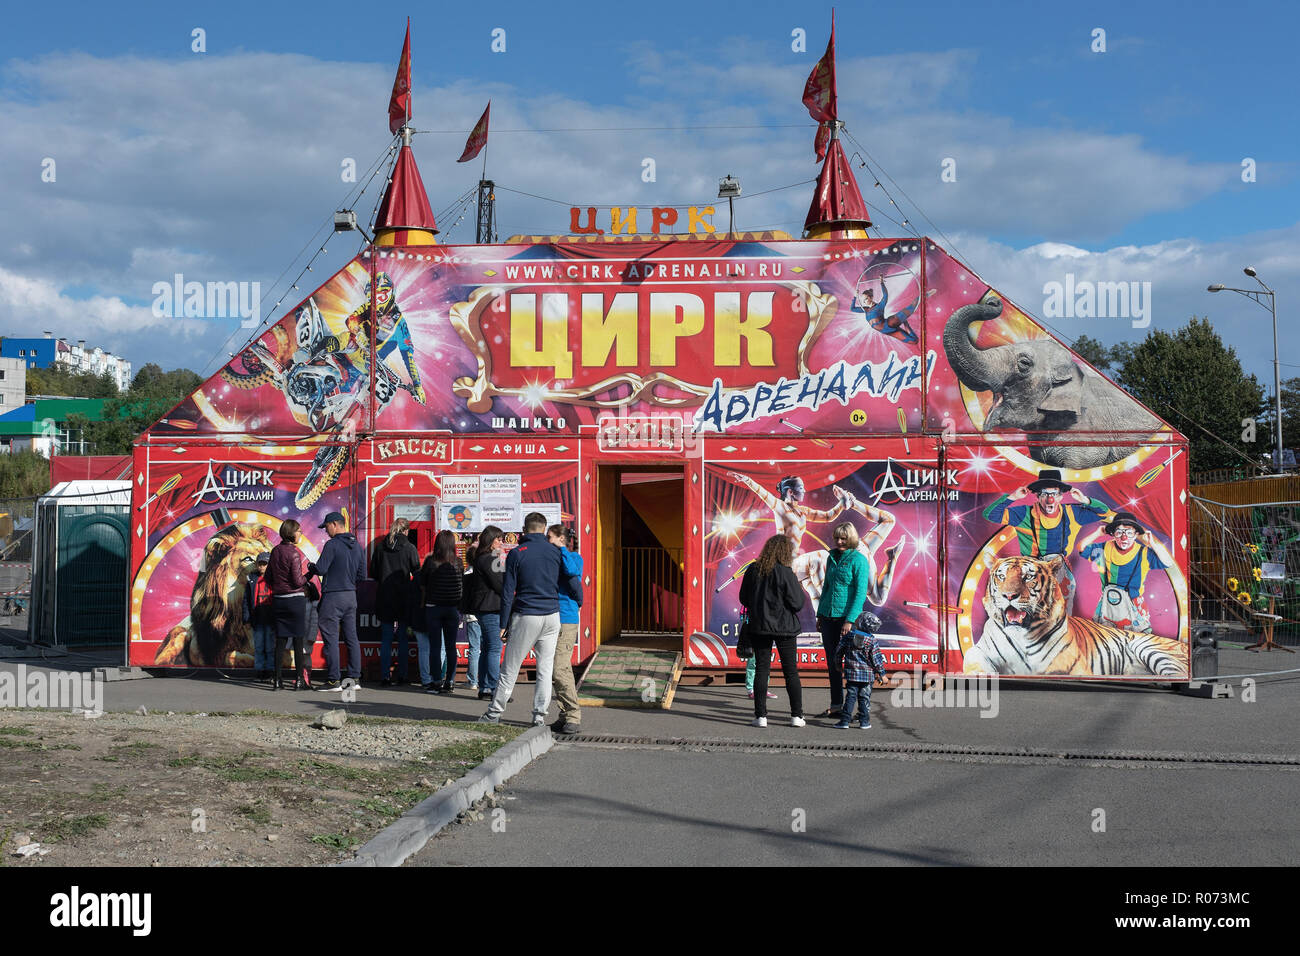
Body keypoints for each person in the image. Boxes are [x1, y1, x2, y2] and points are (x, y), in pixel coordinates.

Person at [479, 512, 579, 726]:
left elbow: (508, 592)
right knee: (544, 669)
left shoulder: (517, 553)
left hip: (527, 614)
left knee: (510, 668)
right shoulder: (555, 552)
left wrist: (503, 624)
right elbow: (570, 580)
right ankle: (539, 717)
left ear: (524, 529)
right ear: (544, 530)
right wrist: (578, 600)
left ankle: (494, 713)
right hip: (552, 616)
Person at [983, 468, 1110, 615]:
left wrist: (1085, 500)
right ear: (1037, 496)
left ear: (1061, 496)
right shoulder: (1024, 513)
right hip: (1030, 569)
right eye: (1045, 494)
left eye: (1054, 493)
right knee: (1029, 612)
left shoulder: (1072, 513)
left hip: (1059, 568)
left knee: (1063, 607)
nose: (1050, 499)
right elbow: (990, 514)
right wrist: (1012, 497)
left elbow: (1104, 512)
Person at [739, 533, 807, 728]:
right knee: (790, 672)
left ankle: (760, 717)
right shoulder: (786, 572)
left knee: (761, 670)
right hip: (785, 628)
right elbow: (798, 603)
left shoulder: (753, 570)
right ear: (785, 552)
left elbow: (744, 598)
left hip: (759, 627)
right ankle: (796, 716)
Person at [1077, 510, 1172, 633]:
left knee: (1135, 646)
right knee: (1106, 643)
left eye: (1129, 532)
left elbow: (1168, 563)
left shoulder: (1144, 553)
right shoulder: (1104, 548)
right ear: (1113, 534)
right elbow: (1081, 547)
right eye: (1119, 532)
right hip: (1108, 606)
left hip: (1134, 607)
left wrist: (1152, 544)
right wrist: (1097, 533)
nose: (1124, 537)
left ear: (1136, 534)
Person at [815, 521, 869, 719]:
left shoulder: (859, 560)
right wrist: (820, 614)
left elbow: (860, 593)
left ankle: (855, 709)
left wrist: (850, 620)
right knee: (833, 663)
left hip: (847, 620)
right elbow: (826, 588)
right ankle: (836, 705)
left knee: (853, 665)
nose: (839, 541)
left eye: (843, 538)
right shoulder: (831, 558)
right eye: (837, 537)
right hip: (828, 618)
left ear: (851, 539)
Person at [311, 511, 366, 692]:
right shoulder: (357, 546)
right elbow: (362, 575)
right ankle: (354, 679)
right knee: (352, 638)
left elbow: (321, 568)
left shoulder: (332, 545)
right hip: (351, 596)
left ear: (335, 524)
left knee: (331, 639)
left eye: (326, 527)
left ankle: (334, 681)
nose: (326, 531)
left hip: (333, 596)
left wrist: (312, 567)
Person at [265, 520, 314, 690]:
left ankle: (277, 680)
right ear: (292, 533)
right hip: (295, 601)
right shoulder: (294, 553)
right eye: (299, 531)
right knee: (298, 640)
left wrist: (278, 588)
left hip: (279, 601)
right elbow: (297, 581)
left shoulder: (275, 551)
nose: (301, 534)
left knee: (280, 641)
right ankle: (299, 679)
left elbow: (269, 578)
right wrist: (310, 574)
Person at [371, 517, 420, 686]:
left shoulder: (380, 548)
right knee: (403, 639)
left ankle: (385, 676)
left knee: (386, 638)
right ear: (406, 531)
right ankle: (403, 675)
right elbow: (417, 570)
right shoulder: (409, 547)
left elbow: (374, 572)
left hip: (385, 596)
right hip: (404, 598)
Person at [548, 525, 584, 736]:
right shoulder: (552, 558)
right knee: (555, 670)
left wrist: (561, 549)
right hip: (550, 617)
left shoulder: (572, 557)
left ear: (561, 538)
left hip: (566, 618)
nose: (547, 540)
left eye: (550, 537)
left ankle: (573, 715)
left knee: (560, 668)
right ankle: (564, 714)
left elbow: (571, 571)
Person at [421, 530, 463, 694]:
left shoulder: (431, 561)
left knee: (435, 647)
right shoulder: (458, 562)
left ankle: (436, 680)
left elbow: (422, 584)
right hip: (453, 608)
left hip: (433, 608)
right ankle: (450, 681)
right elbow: (462, 585)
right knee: (451, 646)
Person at [834, 611, 887, 729]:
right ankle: (864, 722)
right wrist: (882, 674)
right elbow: (876, 659)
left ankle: (845, 721)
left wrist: (838, 665)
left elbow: (839, 651)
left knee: (850, 697)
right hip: (867, 676)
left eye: (858, 618)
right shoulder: (872, 641)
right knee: (864, 698)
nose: (856, 619)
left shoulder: (848, 636)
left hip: (852, 673)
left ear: (861, 622)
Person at [470, 526, 506, 701]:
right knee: (494, 648)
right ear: (490, 540)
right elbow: (500, 584)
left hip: (484, 607)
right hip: (491, 607)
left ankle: (485, 687)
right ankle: (494, 688)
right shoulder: (490, 558)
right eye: (498, 539)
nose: (501, 542)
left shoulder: (481, 557)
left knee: (486, 648)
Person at [243, 551, 274, 682]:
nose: (262, 567)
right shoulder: (252, 579)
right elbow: (246, 600)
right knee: (259, 647)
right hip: (257, 618)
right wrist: (246, 618)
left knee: (270, 647)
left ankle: (270, 671)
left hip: (271, 618)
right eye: (260, 564)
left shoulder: (275, 578)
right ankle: (259, 671)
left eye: (265, 564)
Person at [461, 544, 482, 694]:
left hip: (472, 616)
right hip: (486, 614)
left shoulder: (467, 573)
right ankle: (484, 679)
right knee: (487, 648)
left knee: (474, 648)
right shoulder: (485, 571)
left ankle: (473, 681)